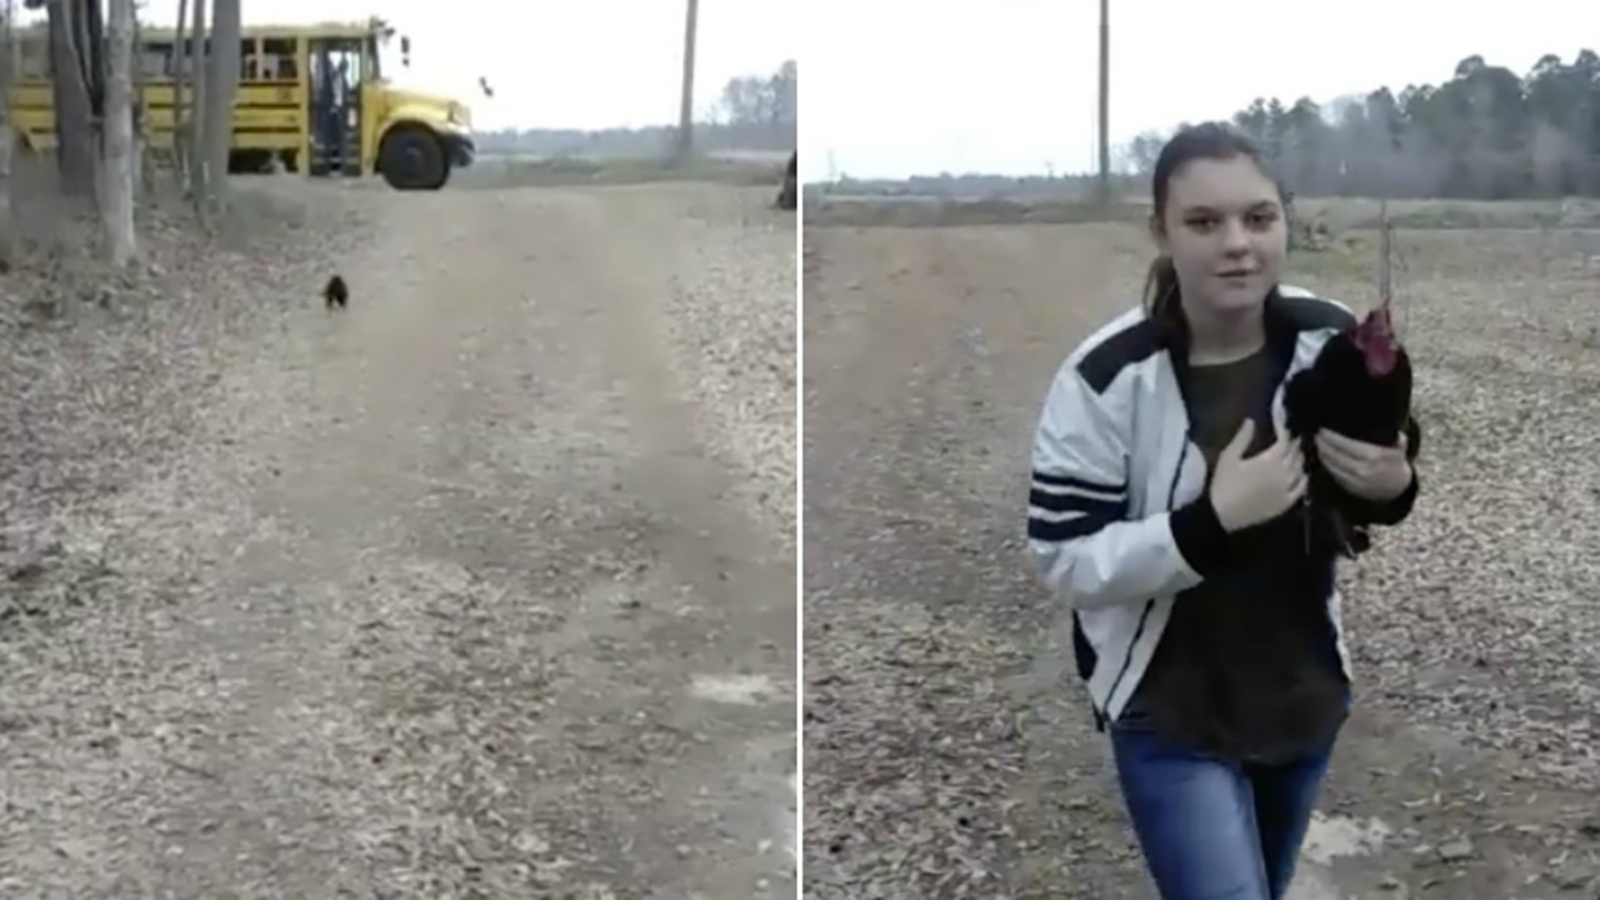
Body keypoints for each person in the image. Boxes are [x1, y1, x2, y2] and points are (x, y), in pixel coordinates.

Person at [1025, 121, 1421, 899]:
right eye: (1204, 223)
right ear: (1161, 231)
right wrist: (1207, 523)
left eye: (1258, 218)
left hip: (1300, 699)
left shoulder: (1325, 339)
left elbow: (1381, 480)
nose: (1236, 243)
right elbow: (1064, 558)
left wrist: (1393, 483)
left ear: (1283, 220)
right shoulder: (1106, 379)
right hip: (1170, 713)